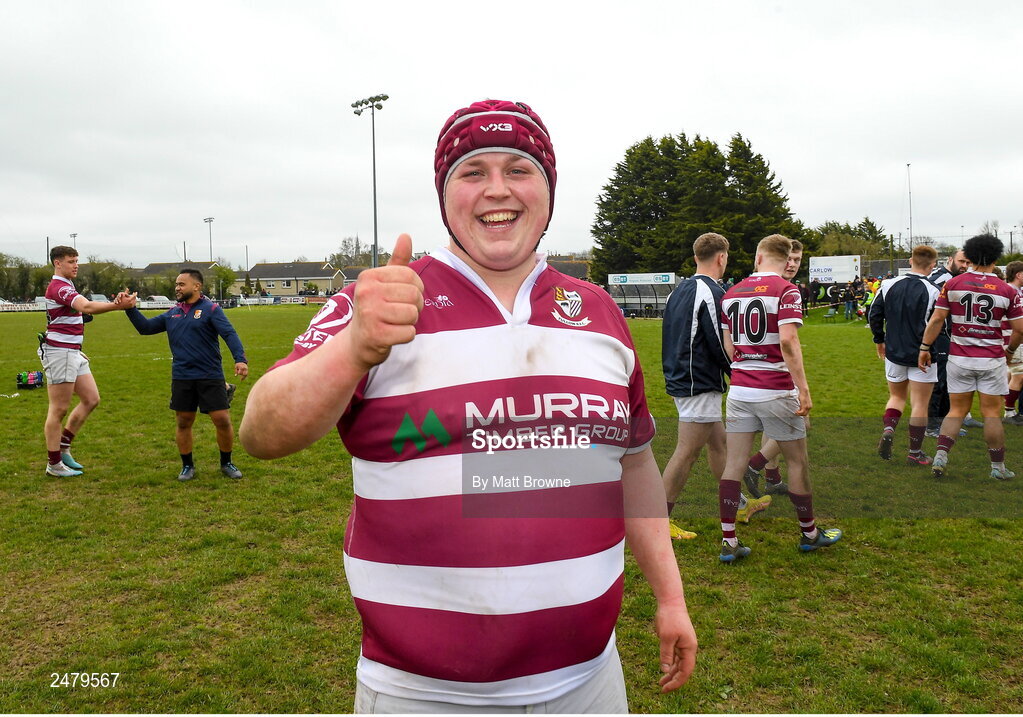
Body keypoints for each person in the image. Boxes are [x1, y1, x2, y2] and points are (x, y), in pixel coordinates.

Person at [238, 99, 697, 712]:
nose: (497, 190)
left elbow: (633, 464)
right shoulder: (382, 302)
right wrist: (353, 348)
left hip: (589, 681)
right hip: (423, 693)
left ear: (548, 189)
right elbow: (262, 432)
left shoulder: (599, 314)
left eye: (519, 169)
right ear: (444, 194)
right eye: (473, 172)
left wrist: (670, 596)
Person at [719, 234, 842, 562]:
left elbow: (728, 344)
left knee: (733, 464)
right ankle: (809, 533)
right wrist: (803, 387)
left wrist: (744, 368)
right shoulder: (786, 290)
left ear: (758, 257)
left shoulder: (731, 292)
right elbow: (788, 341)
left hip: (741, 390)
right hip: (775, 388)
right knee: (798, 461)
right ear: (785, 258)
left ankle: (728, 540)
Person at [660, 233, 770, 541]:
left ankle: (739, 505)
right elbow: (720, 343)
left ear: (696, 256)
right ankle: (658, 521)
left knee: (719, 445)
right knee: (687, 452)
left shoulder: (677, 291)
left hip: (685, 378)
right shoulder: (710, 292)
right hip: (698, 382)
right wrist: (737, 372)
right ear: (721, 258)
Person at [122, 270, 248, 481]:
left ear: (197, 286)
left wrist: (240, 359)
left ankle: (226, 462)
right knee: (184, 421)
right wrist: (130, 309)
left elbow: (229, 333)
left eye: (182, 284)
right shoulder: (172, 313)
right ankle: (187, 466)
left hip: (210, 374)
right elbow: (146, 328)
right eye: (176, 284)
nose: (177, 288)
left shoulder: (212, 309)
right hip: (182, 376)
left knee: (222, 420)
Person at [919, 234, 1023, 480]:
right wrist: (1009, 352)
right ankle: (997, 468)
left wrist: (924, 348)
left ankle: (940, 457)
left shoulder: (953, 284)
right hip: (991, 359)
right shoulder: (1006, 289)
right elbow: (1019, 329)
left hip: (959, 358)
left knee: (956, 411)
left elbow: (936, 319)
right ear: (996, 256)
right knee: (991, 414)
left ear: (971, 255)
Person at [39, 245, 132, 477]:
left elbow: (79, 315)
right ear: (57, 263)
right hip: (60, 352)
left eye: (76, 260)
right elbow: (86, 306)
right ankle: (54, 464)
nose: (76, 264)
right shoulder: (58, 286)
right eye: (71, 261)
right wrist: (117, 305)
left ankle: (63, 447)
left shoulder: (68, 285)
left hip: (72, 351)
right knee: (58, 409)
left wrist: (76, 348)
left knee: (91, 399)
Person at [743, 239, 804, 497]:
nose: (792, 264)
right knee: (801, 423)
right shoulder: (780, 288)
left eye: (798, 260)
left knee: (773, 429)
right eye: (789, 258)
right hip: (772, 374)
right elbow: (787, 340)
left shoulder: (758, 285)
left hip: (751, 375)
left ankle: (773, 478)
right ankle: (753, 465)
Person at [868, 245, 940, 466]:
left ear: (910, 261)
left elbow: (874, 314)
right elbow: (940, 324)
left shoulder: (888, 284)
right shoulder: (934, 290)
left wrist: (879, 340)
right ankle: (915, 452)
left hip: (894, 351)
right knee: (919, 403)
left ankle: (889, 428)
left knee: (896, 397)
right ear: (933, 265)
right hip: (923, 355)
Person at [926, 249, 970, 436]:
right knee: (939, 380)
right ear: (950, 259)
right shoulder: (939, 278)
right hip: (938, 335)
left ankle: (944, 422)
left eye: (968, 263)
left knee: (948, 380)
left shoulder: (955, 278)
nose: (965, 266)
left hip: (950, 335)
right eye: (962, 261)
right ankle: (931, 425)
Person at [1002, 261, 1023, 425]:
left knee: (1011, 373)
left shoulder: (1013, 290)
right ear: (1019, 274)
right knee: (1019, 375)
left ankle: (1007, 408)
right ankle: (1009, 411)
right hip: (1012, 338)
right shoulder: (1011, 292)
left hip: (1011, 336)